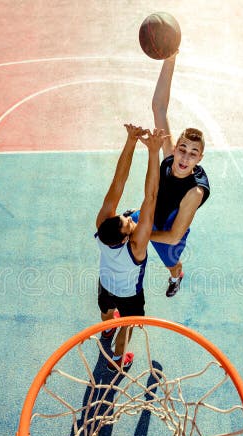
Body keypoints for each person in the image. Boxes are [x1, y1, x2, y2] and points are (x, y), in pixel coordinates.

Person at [135, 51, 211, 298]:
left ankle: (177, 276)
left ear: (200, 159)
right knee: (120, 229)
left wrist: (143, 235)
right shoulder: (169, 156)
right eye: (182, 150)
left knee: (171, 262)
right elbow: (159, 106)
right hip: (150, 213)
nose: (184, 158)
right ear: (175, 147)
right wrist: (169, 58)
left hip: (169, 229)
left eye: (192, 154)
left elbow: (174, 235)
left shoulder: (195, 191)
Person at [95, 124, 166, 370]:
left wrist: (131, 141)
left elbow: (118, 182)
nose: (132, 220)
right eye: (130, 223)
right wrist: (153, 152)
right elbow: (151, 197)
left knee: (106, 312)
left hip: (106, 284)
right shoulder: (136, 247)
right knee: (127, 324)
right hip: (129, 295)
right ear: (126, 238)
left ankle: (105, 331)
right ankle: (118, 358)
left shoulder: (102, 228)